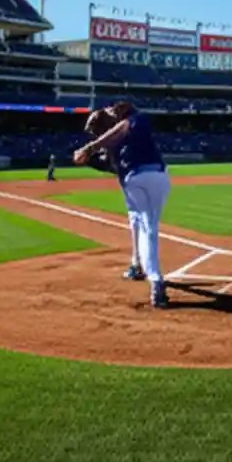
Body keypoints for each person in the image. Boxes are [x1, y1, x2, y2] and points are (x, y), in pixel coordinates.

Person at [75, 102, 172, 309]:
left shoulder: (136, 120)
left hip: (143, 179)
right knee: (138, 221)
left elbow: (122, 128)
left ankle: (155, 279)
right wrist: (93, 155)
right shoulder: (115, 142)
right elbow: (111, 163)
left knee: (147, 226)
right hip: (149, 179)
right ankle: (137, 264)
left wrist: (90, 148)